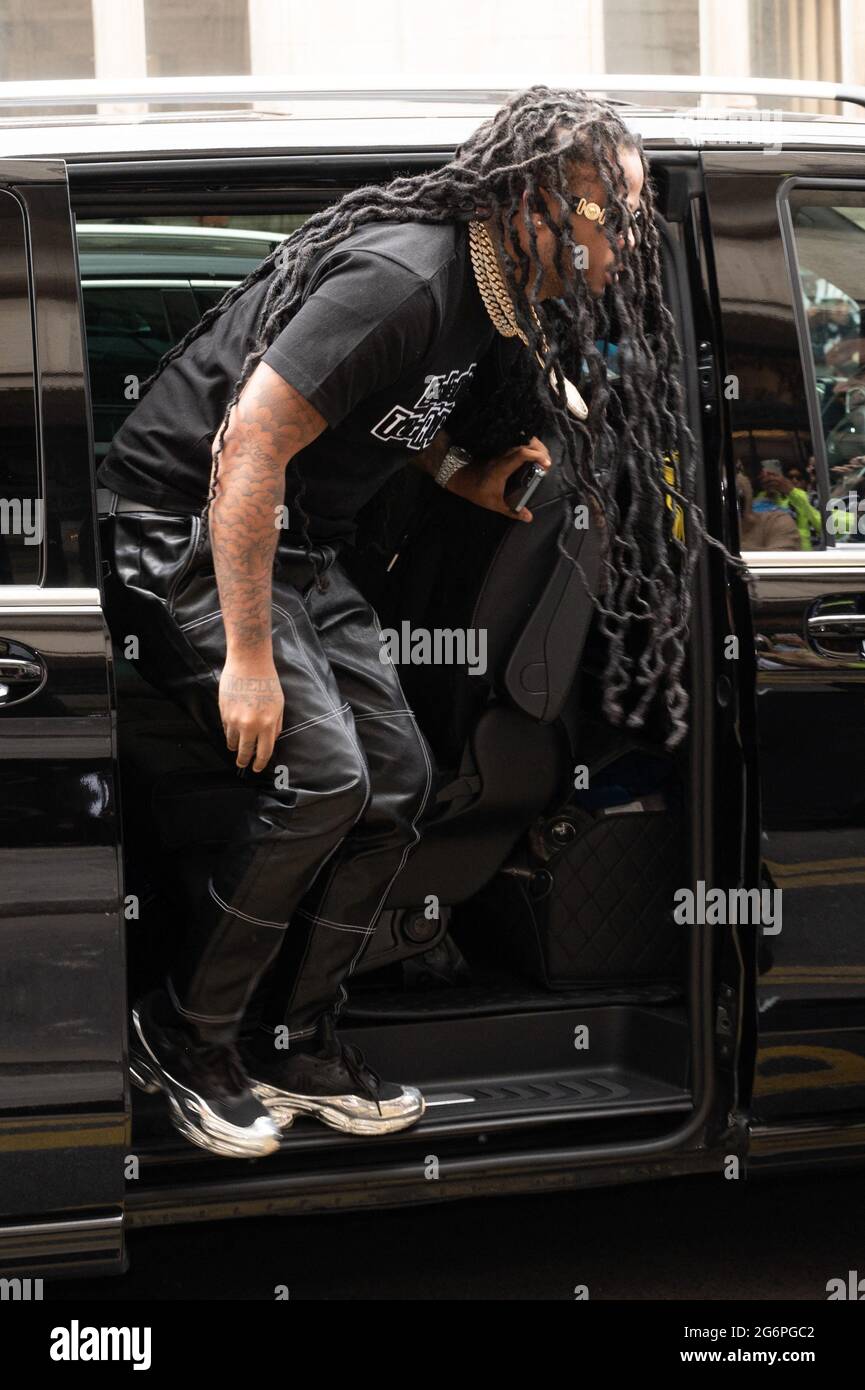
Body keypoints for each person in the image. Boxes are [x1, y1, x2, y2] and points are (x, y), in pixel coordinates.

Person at [97, 85, 718, 1159]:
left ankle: (298, 1040)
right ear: (532, 203)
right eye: (607, 211)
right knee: (325, 776)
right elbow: (246, 447)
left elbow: (382, 414)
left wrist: (458, 472)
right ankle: (182, 1033)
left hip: (298, 541)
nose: (626, 234)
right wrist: (248, 655)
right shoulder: (405, 276)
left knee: (397, 780)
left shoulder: (494, 296)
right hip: (186, 525)